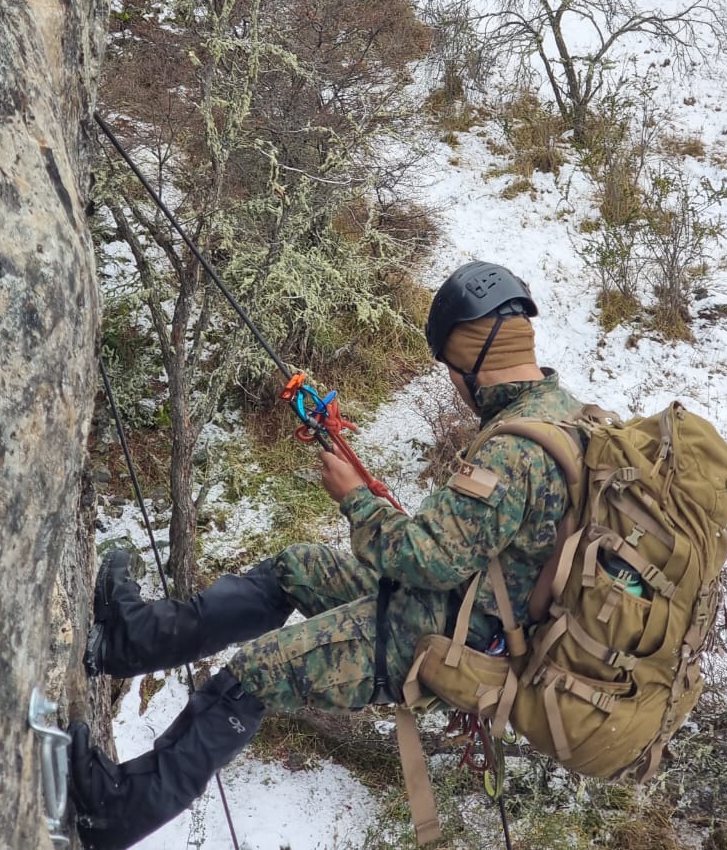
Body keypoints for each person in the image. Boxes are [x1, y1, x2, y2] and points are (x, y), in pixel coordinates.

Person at [69, 262, 583, 850]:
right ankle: (131, 640)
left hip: (446, 640)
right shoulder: (561, 413)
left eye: (451, 371)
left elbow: (427, 559)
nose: (453, 386)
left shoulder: (515, 449)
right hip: (467, 609)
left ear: (470, 361)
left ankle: (114, 812)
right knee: (299, 568)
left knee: (259, 671)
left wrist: (356, 500)